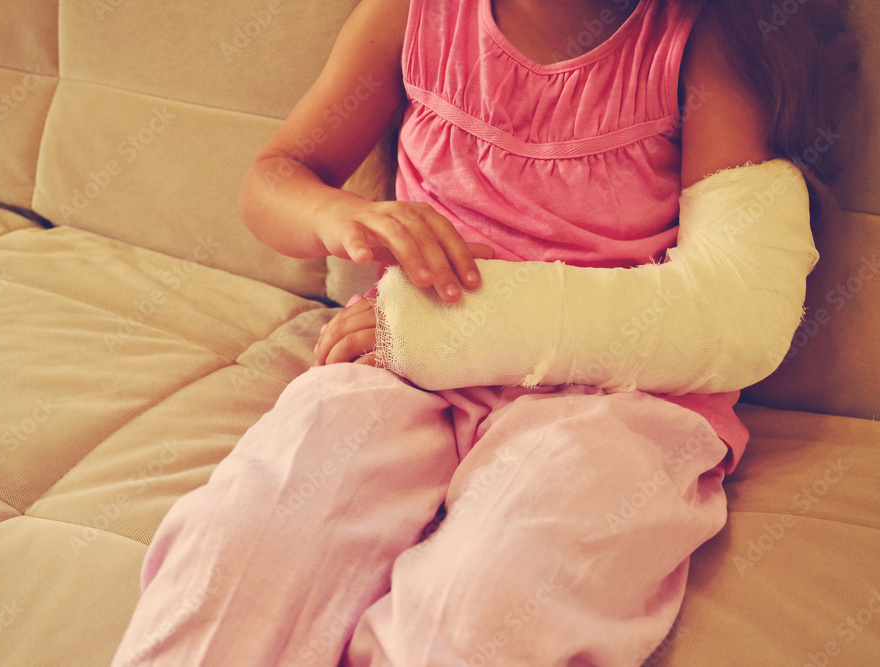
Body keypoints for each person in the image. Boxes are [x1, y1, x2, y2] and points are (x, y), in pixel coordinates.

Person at [112, 0, 858, 664]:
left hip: (617, 398)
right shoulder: (412, 15)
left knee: (488, 601)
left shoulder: (699, 43)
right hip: (400, 358)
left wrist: (480, 320)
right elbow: (276, 176)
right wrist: (335, 216)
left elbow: (729, 309)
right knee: (244, 547)